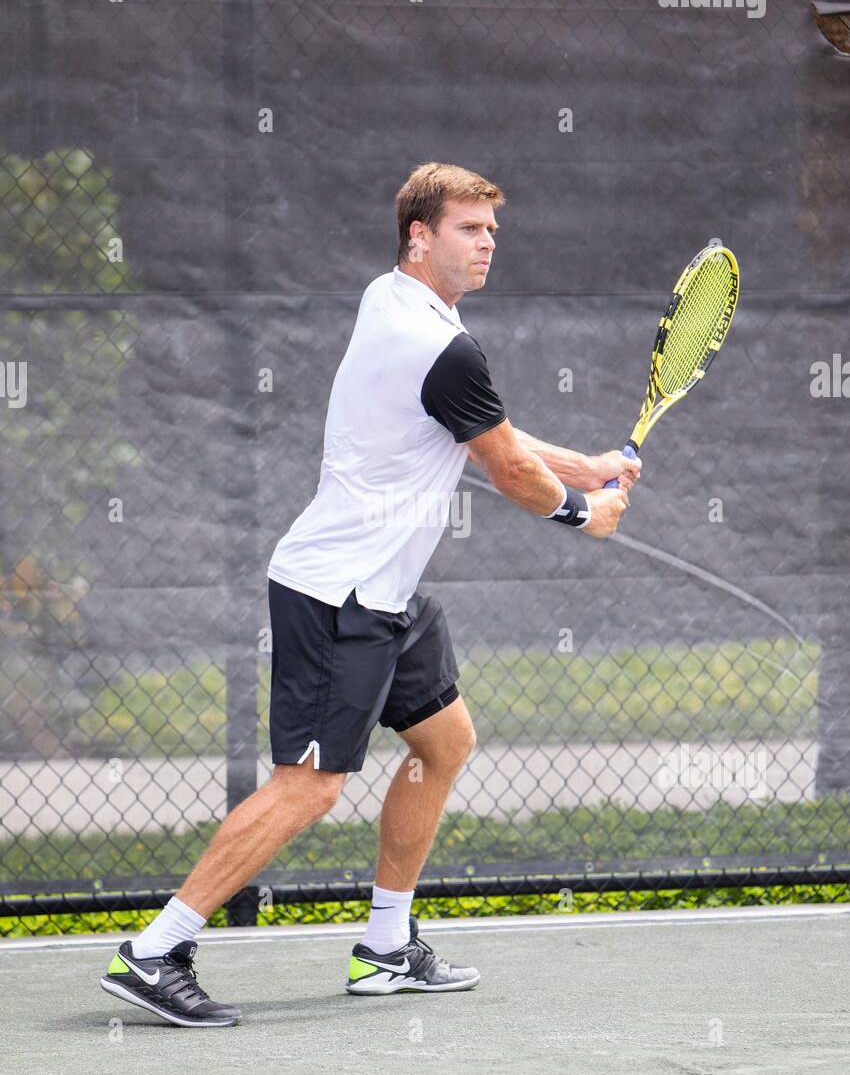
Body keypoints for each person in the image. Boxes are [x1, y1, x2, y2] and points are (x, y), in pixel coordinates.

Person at [99, 161, 640, 1027]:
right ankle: (156, 951)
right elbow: (502, 464)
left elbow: (475, 428)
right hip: (337, 595)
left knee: (445, 741)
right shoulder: (439, 342)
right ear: (419, 236)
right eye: (469, 228)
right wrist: (583, 511)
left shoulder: (392, 301)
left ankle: (386, 950)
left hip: (389, 594)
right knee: (309, 788)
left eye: (493, 228)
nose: (488, 241)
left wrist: (585, 463)